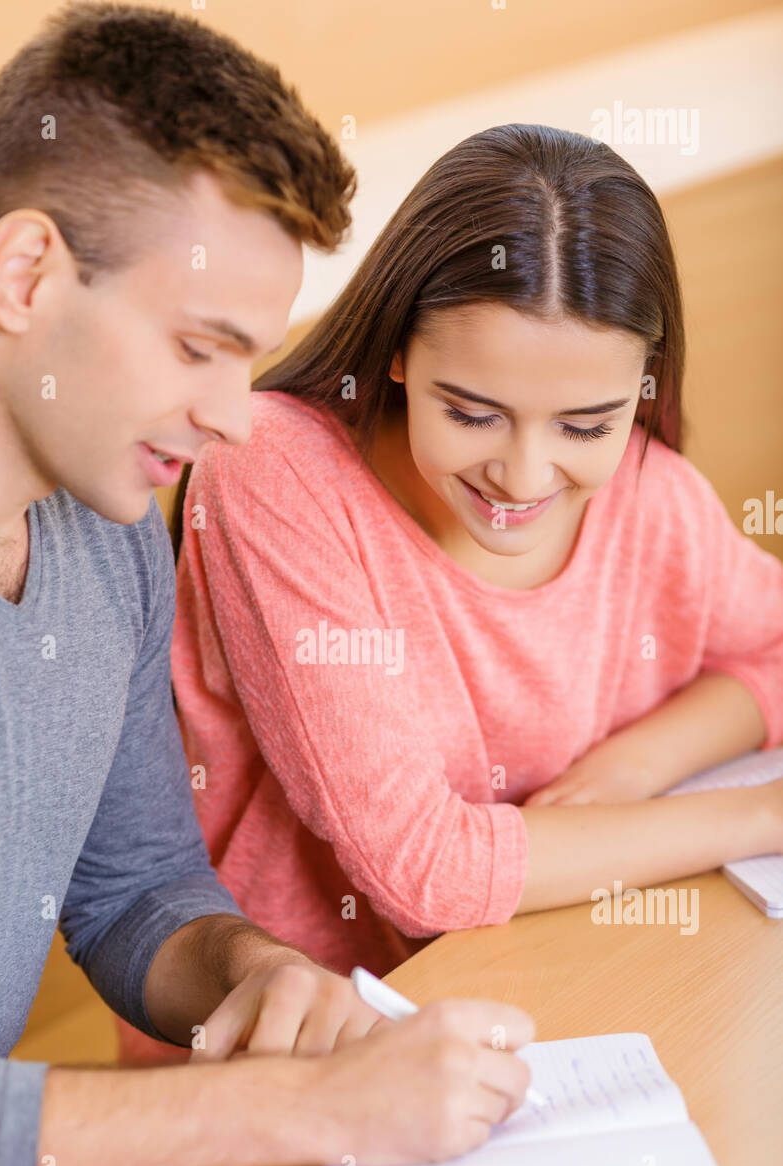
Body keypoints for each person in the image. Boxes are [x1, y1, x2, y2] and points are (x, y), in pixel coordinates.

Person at [0, 4, 535, 1166]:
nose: (236, 422)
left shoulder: (107, 526)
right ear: (24, 275)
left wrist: (254, 974)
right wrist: (301, 1111)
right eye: (202, 349)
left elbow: (132, 886)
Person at [118, 121, 783, 1066]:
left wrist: (636, 766)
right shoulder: (272, 475)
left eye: (586, 425)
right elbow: (423, 873)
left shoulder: (650, 494)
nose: (522, 475)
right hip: (290, 1067)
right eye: (471, 413)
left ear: (639, 387)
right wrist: (760, 817)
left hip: (546, 1002)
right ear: (396, 352)